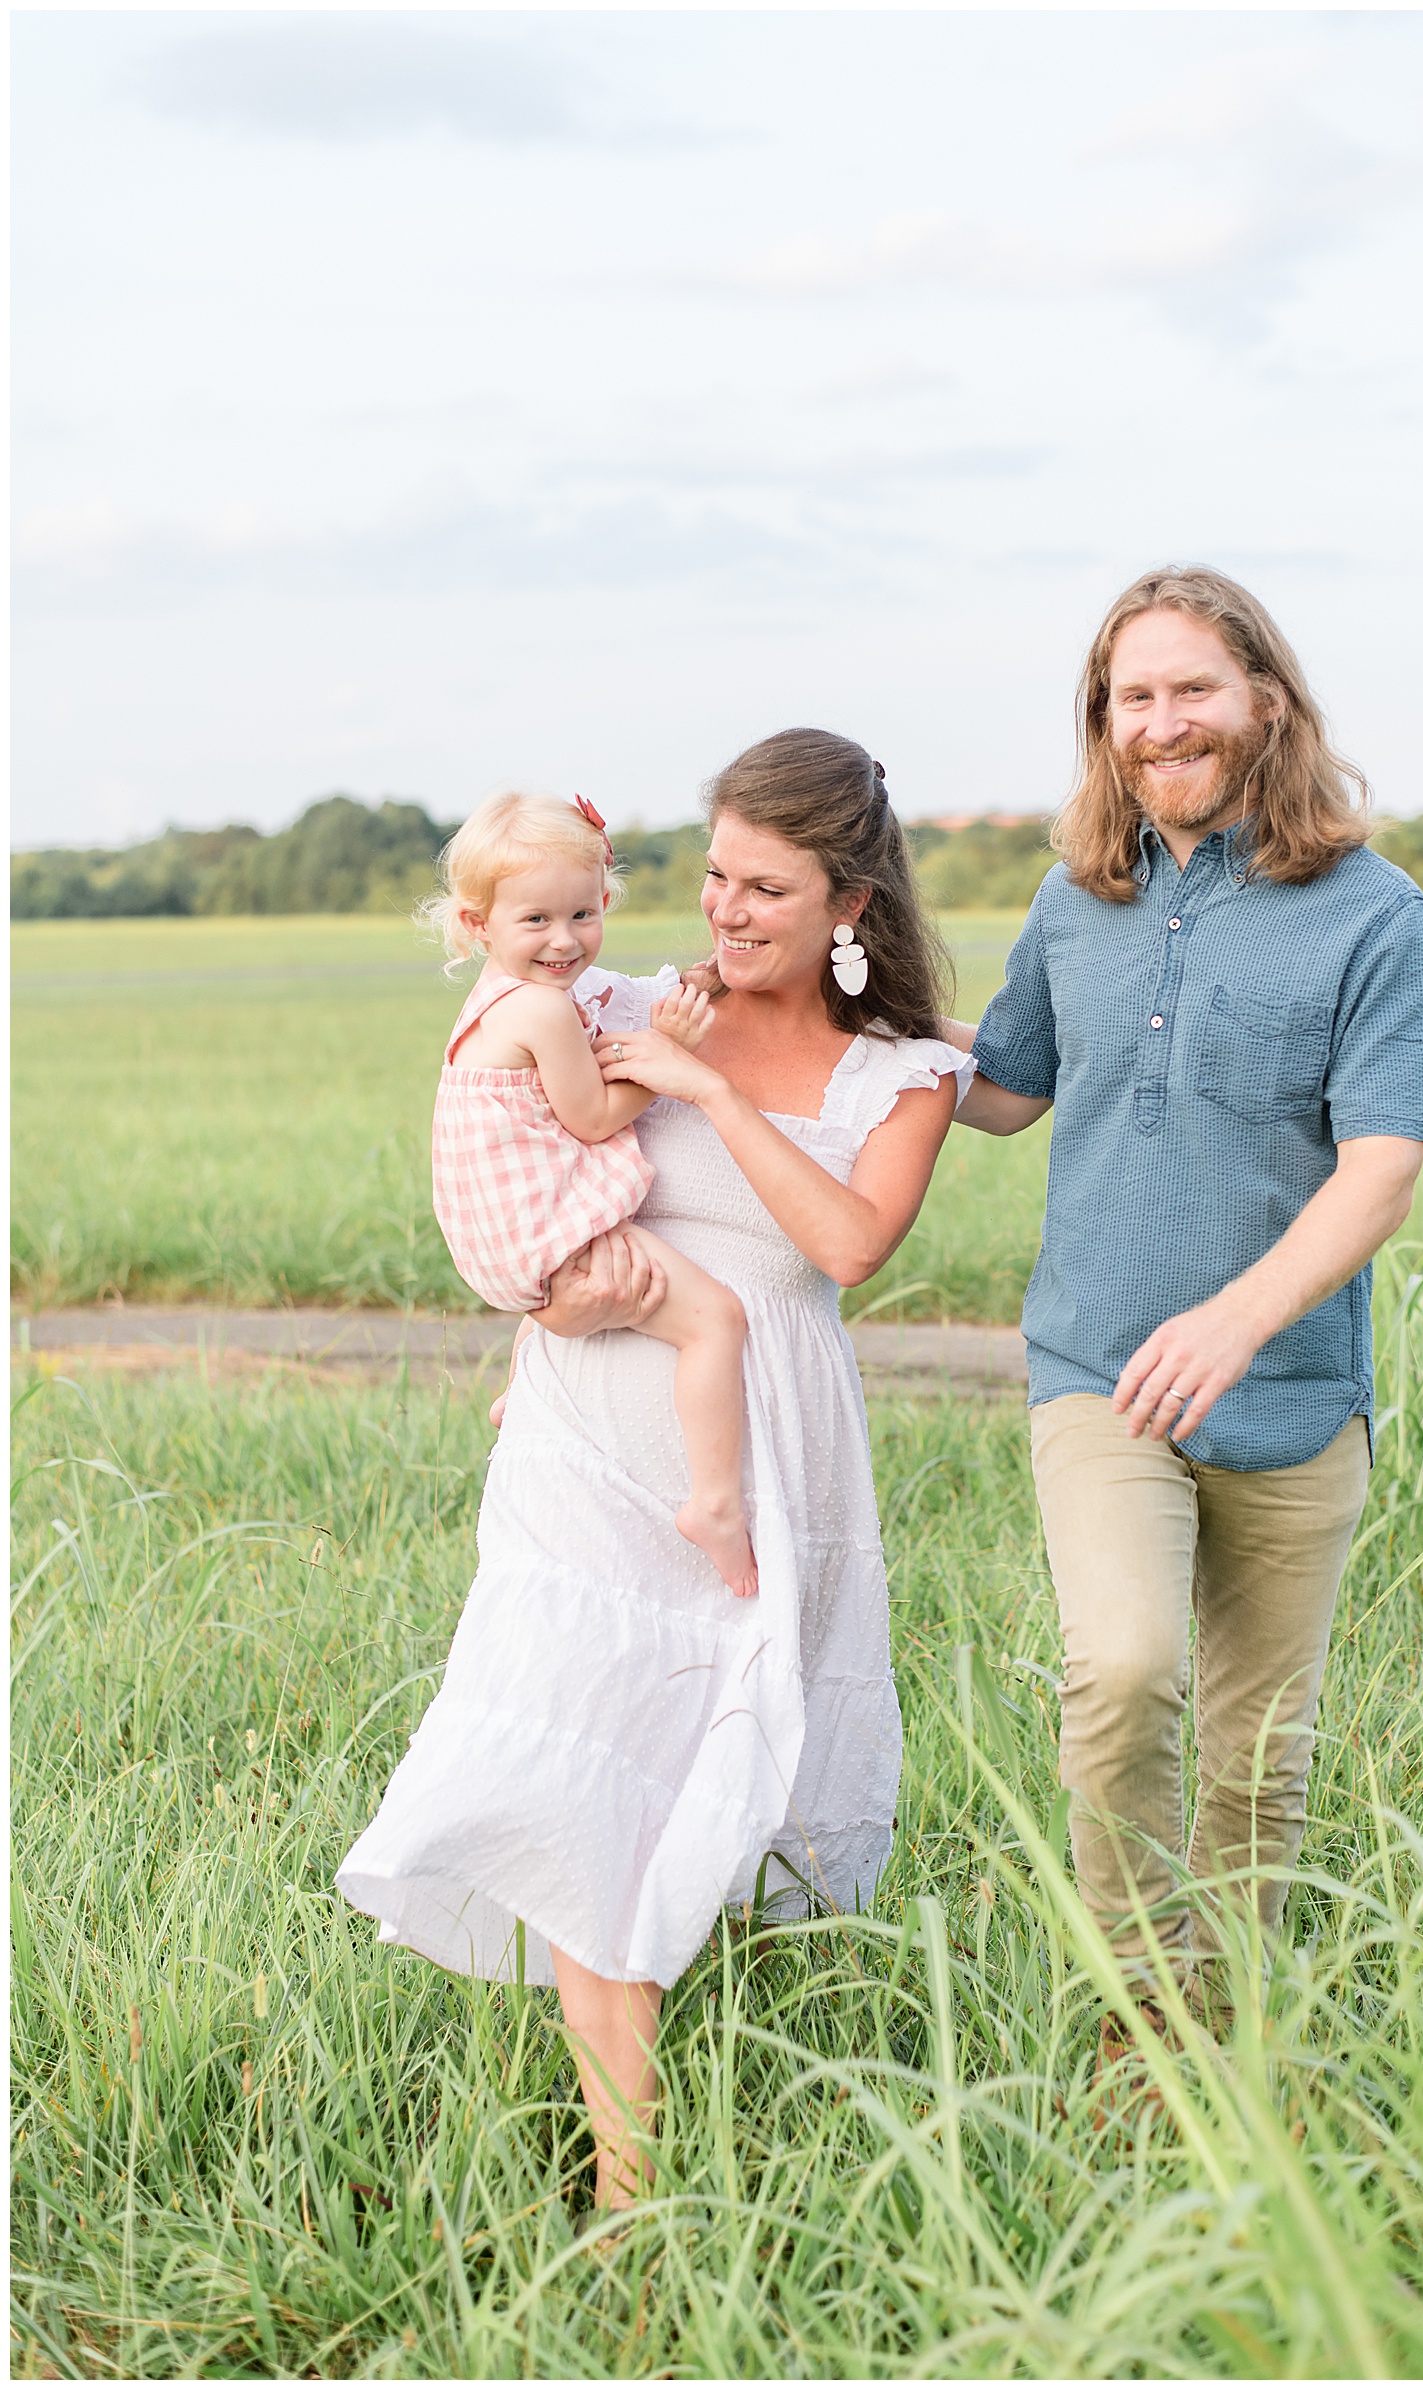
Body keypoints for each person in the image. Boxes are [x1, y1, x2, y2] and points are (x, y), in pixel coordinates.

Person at [338, 730, 972, 2216]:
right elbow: (521, 1171)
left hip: (766, 1446)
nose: (727, 913)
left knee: (743, 1769)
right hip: (589, 1445)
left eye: (766, 888)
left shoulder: (903, 1072)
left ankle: (758, 2101)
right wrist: (522, 1337)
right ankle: (635, 2183)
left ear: (850, 903)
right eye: (712, 876)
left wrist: (711, 1085)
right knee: (586, 1767)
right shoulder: (605, 998)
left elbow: (847, 1246)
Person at [951, 566, 1423, 2059]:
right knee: (1121, 1668)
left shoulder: (1374, 911)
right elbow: (998, 1090)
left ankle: (1232, 2041)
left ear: (1266, 701)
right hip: (1097, 1368)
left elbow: (1379, 1174)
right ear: (1103, 724)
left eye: (1191, 689)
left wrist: (1237, 1317)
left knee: (1251, 1757)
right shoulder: (1073, 894)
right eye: (1133, 696)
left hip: (1292, 1389)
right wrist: (820, 1014)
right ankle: (1135, 2031)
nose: (1162, 722)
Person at [423, 789, 757, 1597]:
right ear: (478, 926)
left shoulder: (492, 1002)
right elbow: (592, 1117)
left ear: (605, 900)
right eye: (535, 921)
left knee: (581, 1222)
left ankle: (518, 1389)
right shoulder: (540, 1010)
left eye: (583, 914)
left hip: (505, 1238)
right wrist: (668, 1053)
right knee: (717, 1321)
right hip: (552, 1241)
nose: (564, 941)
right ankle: (714, 1502)